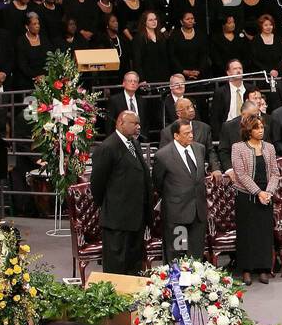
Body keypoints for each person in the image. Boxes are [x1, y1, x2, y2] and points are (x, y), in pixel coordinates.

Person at [89, 111, 151, 275]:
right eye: (134, 123)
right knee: (116, 266)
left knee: (134, 264)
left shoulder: (134, 144)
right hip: (117, 219)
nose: (138, 127)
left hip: (136, 218)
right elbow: (97, 184)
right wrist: (111, 204)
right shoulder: (108, 147)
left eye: (139, 123)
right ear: (120, 123)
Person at [231, 114, 279, 284]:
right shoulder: (238, 148)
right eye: (256, 128)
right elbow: (241, 174)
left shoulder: (270, 148)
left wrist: (269, 192)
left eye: (262, 127)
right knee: (247, 234)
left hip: (266, 195)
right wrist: (258, 192)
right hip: (246, 196)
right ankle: (246, 269)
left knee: (264, 233)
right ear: (248, 130)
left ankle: (264, 268)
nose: (261, 130)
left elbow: (275, 173)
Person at [152, 118, 209, 262]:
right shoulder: (163, 155)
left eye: (191, 132)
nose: (191, 135)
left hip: (198, 212)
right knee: (178, 254)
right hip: (177, 215)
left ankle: (195, 283)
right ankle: (177, 283)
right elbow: (158, 184)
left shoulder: (199, 148)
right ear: (176, 136)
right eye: (186, 133)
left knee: (195, 255)